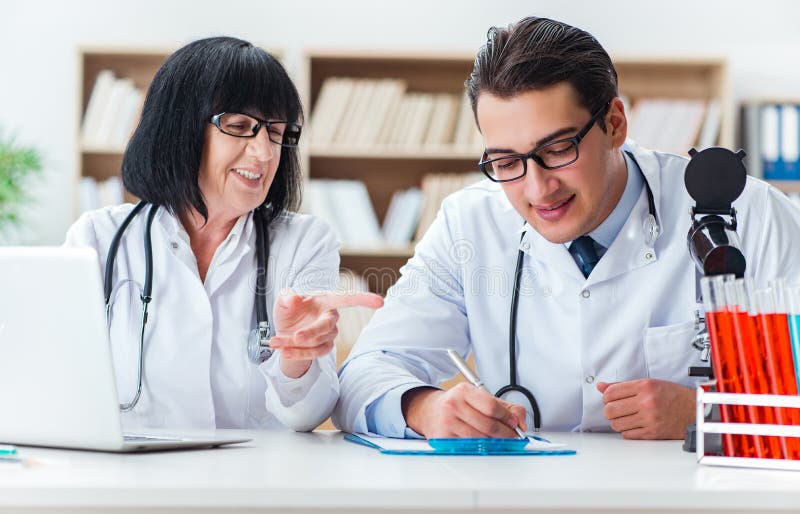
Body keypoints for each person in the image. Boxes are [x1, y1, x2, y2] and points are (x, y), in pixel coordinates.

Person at [333, 17, 800, 440]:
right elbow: (362, 376)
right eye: (507, 161)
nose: (538, 188)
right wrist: (423, 407)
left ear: (614, 124)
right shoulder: (468, 224)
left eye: (557, 149)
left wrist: (707, 412)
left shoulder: (751, 213)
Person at [65, 37, 382, 431]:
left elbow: (307, 417)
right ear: (179, 129)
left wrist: (295, 358)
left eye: (276, 132)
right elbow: (61, 385)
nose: (265, 153)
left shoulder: (305, 244)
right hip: (132, 484)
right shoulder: (99, 239)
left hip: (254, 488)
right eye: (239, 127)